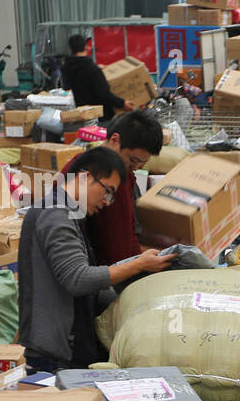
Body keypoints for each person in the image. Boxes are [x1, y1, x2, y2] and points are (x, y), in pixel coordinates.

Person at [18, 147, 172, 374]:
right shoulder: (55, 213)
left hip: (65, 348)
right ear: (84, 177)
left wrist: (134, 302)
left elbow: (89, 287)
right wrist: (138, 264)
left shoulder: (71, 214)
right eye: (107, 191)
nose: (108, 202)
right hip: (51, 355)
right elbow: (77, 279)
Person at [55, 109, 163, 267]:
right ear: (114, 140)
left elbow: (130, 230)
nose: (136, 167)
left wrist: (137, 264)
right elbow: (73, 241)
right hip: (99, 277)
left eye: (142, 163)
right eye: (133, 160)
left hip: (125, 272)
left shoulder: (127, 176)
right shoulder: (79, 172)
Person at [61, 34, 132, 121]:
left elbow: (67, 87)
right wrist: (122, 103)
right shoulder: (93, 70)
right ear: (86, 47)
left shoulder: (66, 68)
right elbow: (104, 94)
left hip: (83, 114)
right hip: (101, 116)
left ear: (70, 49)